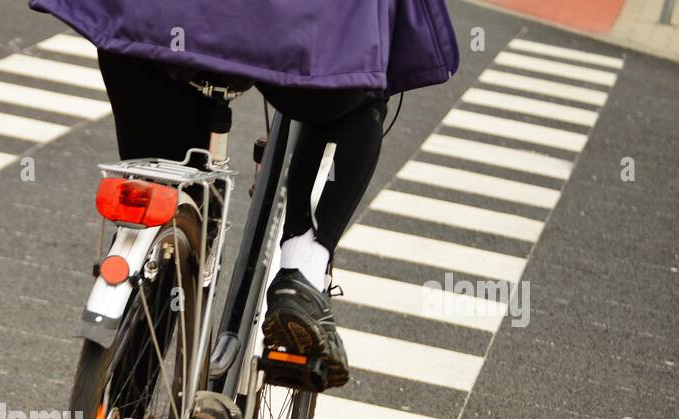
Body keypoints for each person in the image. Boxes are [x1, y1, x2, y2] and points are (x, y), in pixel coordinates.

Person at [29, 0, 460, 387]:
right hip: (292, 32)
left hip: (153, 22)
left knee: (164, 202)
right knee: (362, 81)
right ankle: (302, 271)